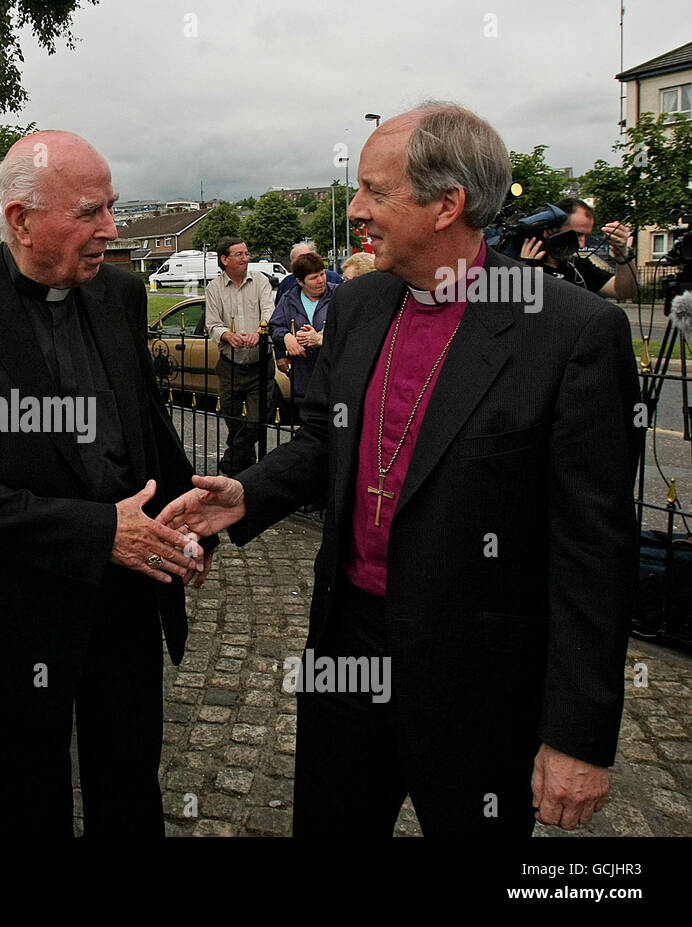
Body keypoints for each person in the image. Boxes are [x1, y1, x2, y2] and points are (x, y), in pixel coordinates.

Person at [157, 103, 641, 837]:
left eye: (376, 192)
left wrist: (577, 733)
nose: (355, 211)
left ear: (448, 204)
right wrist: (246, 493)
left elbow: (594, 548)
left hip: (478, 679)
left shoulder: (570, 331)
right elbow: (326, 439)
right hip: (348, 644)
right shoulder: (362, 303)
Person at [0, 130, 214, 836]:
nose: (111, 229)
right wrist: (101, 531)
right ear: (20, 221)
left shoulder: (121, 296)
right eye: (90, 212)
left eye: (114, 208)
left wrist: (182, 518)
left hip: (128, 608)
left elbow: (146, 429)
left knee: (130, 797)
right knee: (31, 810)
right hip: (19, 620)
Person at [205, 235, 276, 474]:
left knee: (256, 422)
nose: (246, 258)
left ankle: (230, 463)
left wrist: (260, 331)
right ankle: (245, 471)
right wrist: (228, 336)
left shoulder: (260, 282)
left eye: (247, 253)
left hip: (259, 364)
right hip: (230, 366)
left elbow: (269, 309)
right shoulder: (214, 288)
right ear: (224, 260)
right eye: (240, 254)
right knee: (235, 424)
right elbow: (212, 324)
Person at [519, 197, 637, 300]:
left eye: (586, 235)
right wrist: (527, 272)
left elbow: (624, 291)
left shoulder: (578, 267)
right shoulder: (519, 264)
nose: (581, 245)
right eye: (577, 235)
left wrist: (622, 254)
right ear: (551, 230)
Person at [270, 251, 337, 419]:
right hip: (303, 379)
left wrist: (320, 339)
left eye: (322, 274)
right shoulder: (289, 299)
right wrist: (286, 338)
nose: (321, 280)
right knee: (309, 429)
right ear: (300, 281)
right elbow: (275, 326)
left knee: (338, 429)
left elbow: (349, 328)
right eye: (314, 278)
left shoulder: (338, 294)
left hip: (334, 380)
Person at [275, 240, 342, 301]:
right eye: (299, 262)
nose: (306, 264)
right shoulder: (286, 285)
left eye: (308, 258)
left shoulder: (334, 279)